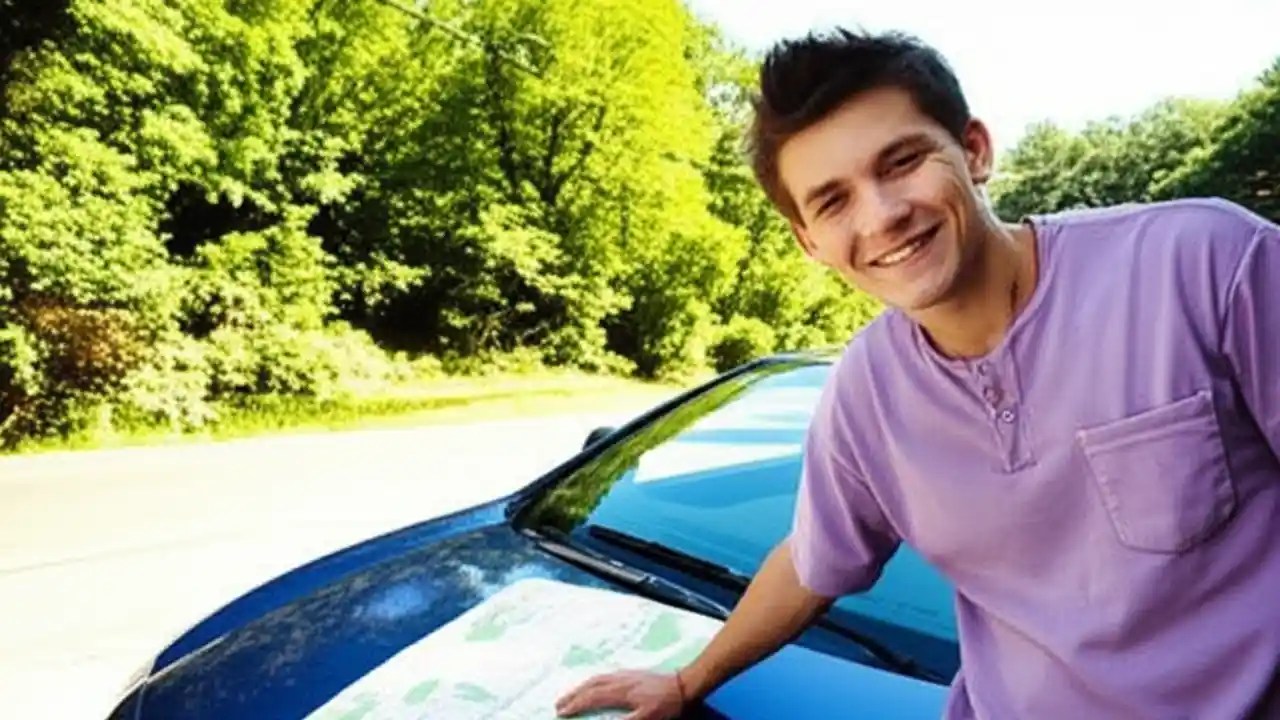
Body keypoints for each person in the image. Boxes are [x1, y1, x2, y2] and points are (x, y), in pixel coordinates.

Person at [555, 27, 1280, 720]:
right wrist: (687, 680)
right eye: (833, 201)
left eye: (901, 162)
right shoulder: (865, 395)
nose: (883, 215)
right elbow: (811, 563)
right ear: (810, 241)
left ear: (974, 150)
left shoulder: (1205, 263)